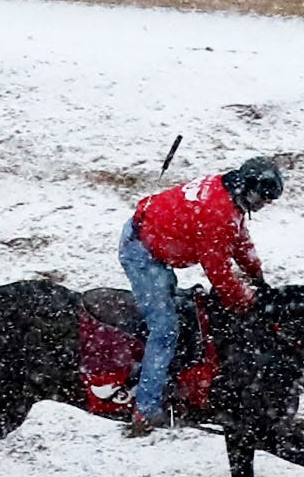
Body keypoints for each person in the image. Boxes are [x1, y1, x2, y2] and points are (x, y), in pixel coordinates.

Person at [119, 156, 283, 433]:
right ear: (250, 189)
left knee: (183, 312)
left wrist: (257, 277)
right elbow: (219, 274)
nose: (264, 205)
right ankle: (145, 410)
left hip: (157, 239)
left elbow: (239, 239)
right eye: (263, 199)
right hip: (142, 252)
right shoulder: (216, 214)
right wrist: (249, 301)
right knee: (165, 329)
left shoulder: (230, 195)